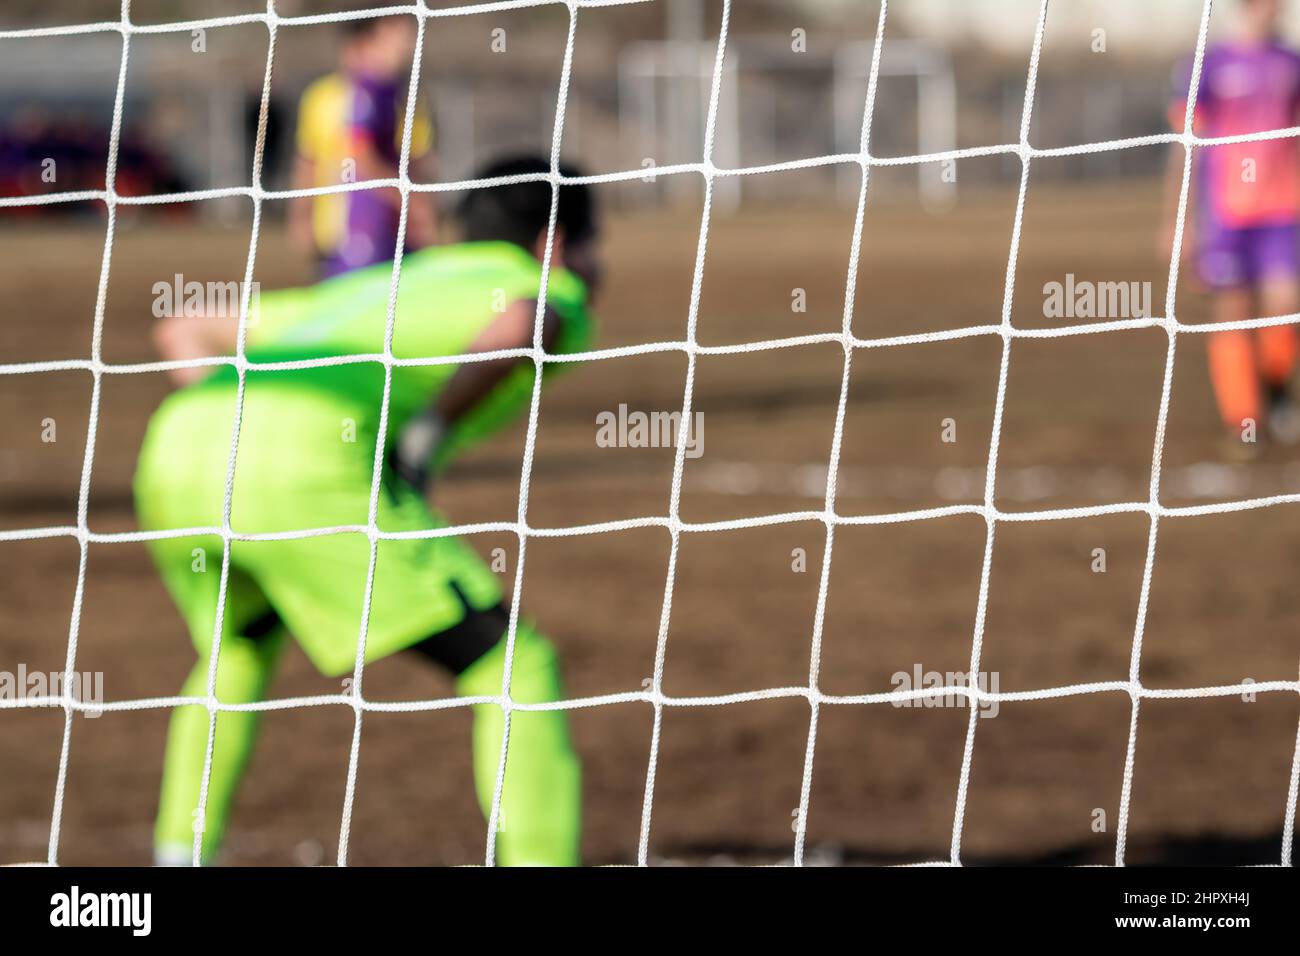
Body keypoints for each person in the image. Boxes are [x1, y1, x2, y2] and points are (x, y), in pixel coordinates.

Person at [136, 156, 599, 866]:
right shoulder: (543, 282)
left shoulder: (385, 284)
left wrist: (245, 425)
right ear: (556, 241)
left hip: (180, 448)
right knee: (515, 667)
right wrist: (425, 434)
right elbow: (523, 322)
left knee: (237, 649)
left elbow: (184, 329)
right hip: (305, 468)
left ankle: (178, 856)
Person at [1165, 0, 1300, 456]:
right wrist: (1179, 218)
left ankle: (1276, 387)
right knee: (1233, 312)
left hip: (1283, 211)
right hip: (1225, 212)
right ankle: (1244, 422)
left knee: (1285, 307)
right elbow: (1185, 146)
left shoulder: (1291, 63)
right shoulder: (1209, 64)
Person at [290, 16, 438, 278]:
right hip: (347, 234)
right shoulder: (325, 97)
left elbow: (416, 162)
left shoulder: (404, 98)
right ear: (363, 43)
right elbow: (312, 161)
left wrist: (419, 212)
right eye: (398, 36)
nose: (409, 45)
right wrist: (301, 216)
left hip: (395, 233)